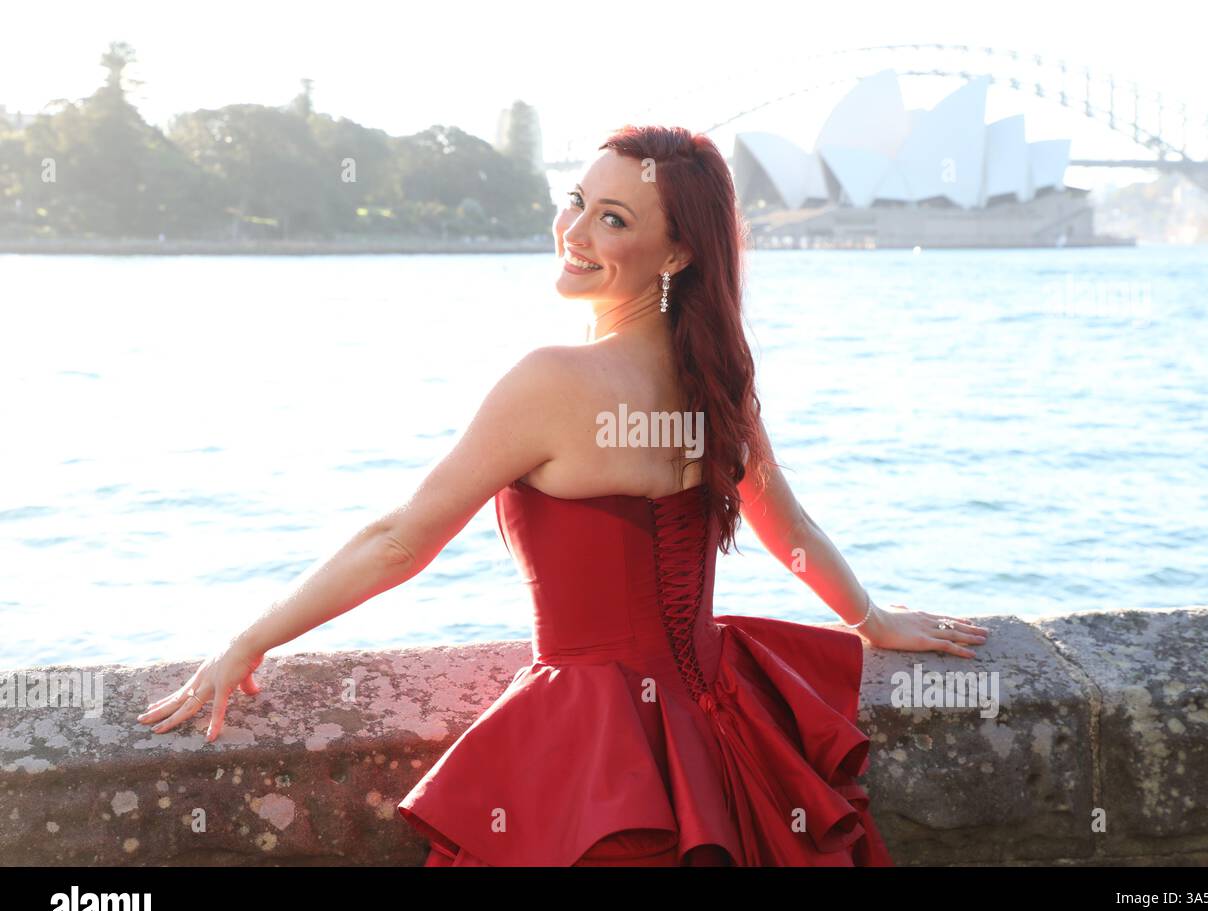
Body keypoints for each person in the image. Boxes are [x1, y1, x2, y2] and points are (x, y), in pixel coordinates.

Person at [136, 124, 989, 866]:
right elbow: (784, 522)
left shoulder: (552, 381)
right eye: (577, 200)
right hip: (724, 732)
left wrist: (250, 639)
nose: (574, 231)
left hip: (597, 754)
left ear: (680, 252)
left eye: (612, 219)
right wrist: (869, 618)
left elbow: (401, 540)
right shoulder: (716, 375)